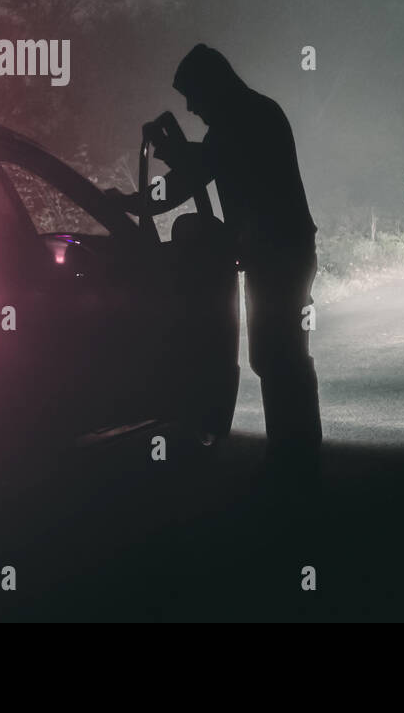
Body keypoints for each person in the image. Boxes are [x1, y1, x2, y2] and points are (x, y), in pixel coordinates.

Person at [110, 44, 321, 480]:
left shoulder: (244, 121)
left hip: (281, 254)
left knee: (280, 355)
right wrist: (142, 194)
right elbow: (196, 170)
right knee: (278, 355)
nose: (190, 107)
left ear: (212, 86)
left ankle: (295, 457)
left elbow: (192, 176)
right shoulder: (249, 116)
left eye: (192, 96)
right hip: (280, 252)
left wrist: (134, 200)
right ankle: (294, 454)